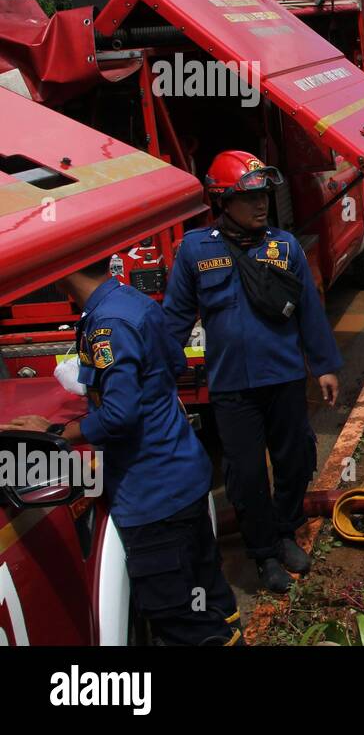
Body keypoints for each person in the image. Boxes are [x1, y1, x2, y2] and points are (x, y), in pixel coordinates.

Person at [4, 257, 243, 645]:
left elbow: (120, 415)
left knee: (179, 619)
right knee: (207, 595)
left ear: (63, 271)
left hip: (153, 498)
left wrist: (56, 430)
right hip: (183, 478)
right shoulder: (130, 301)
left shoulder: (107, 324)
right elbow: (172, 362)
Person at [163, 151, 343, 593]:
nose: (262, 204)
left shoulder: (285, 247)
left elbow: (308, 311)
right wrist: (159, 373)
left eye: (264, 195)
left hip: (283, 379)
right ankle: (263, 554)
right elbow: (174, 320)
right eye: (249, 197)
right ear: (223, 200)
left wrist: (323, 365)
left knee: (296, 459)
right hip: (231, 388)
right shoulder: (195, 250)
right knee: (244, 475)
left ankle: (285, 532)